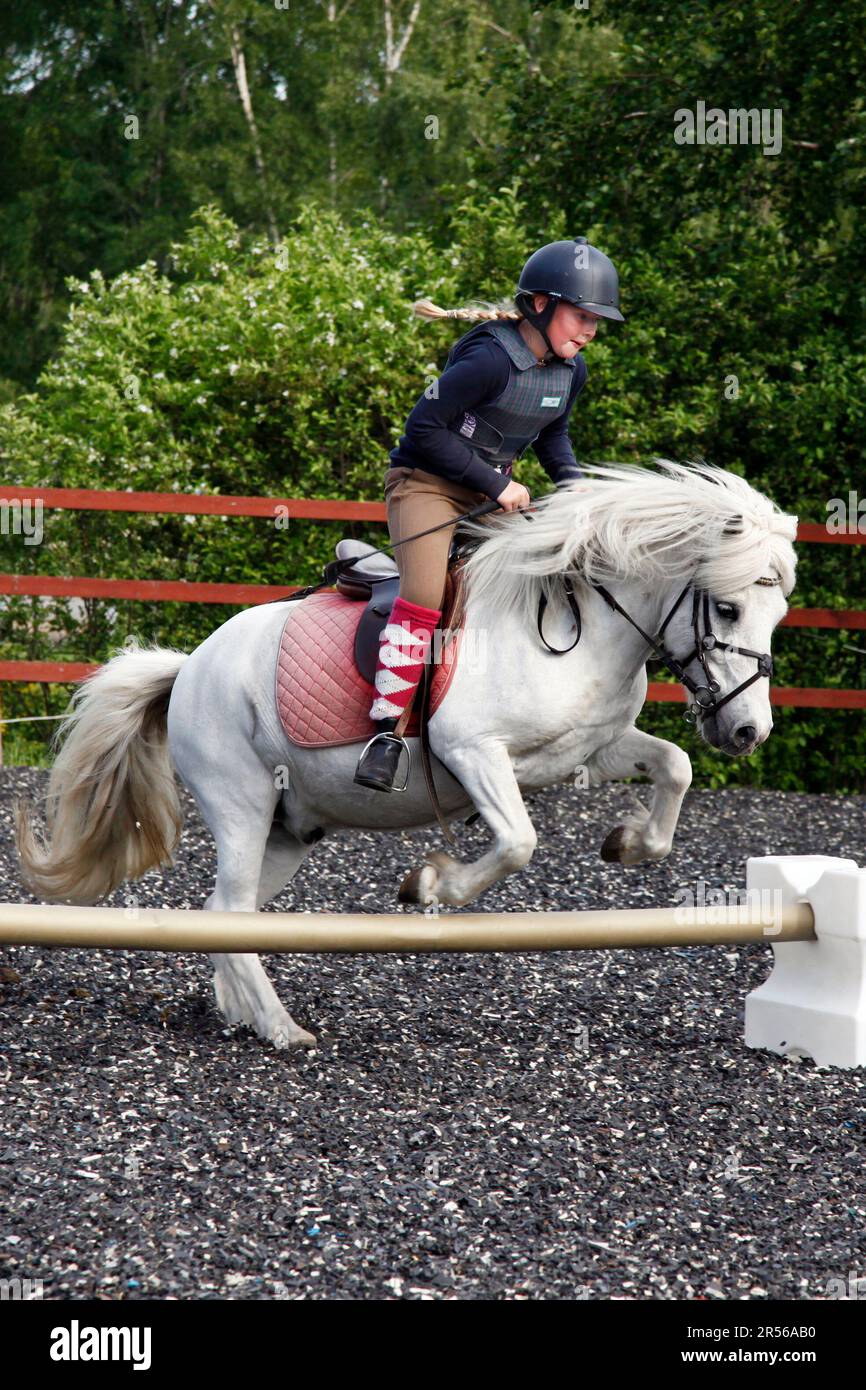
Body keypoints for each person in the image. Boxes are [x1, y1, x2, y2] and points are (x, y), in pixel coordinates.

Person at [353, 236, 625, 792]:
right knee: (427, 596)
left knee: (541, 580)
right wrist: (493, 484)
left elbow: (554, 438)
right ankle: (385, 729)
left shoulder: (572, 373)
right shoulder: (487, 358)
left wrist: (577, 492)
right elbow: (420, 431)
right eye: (582, 316)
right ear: (542, 305)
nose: (591, 330)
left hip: (491, 494)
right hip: (425, 485)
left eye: (598, 320)